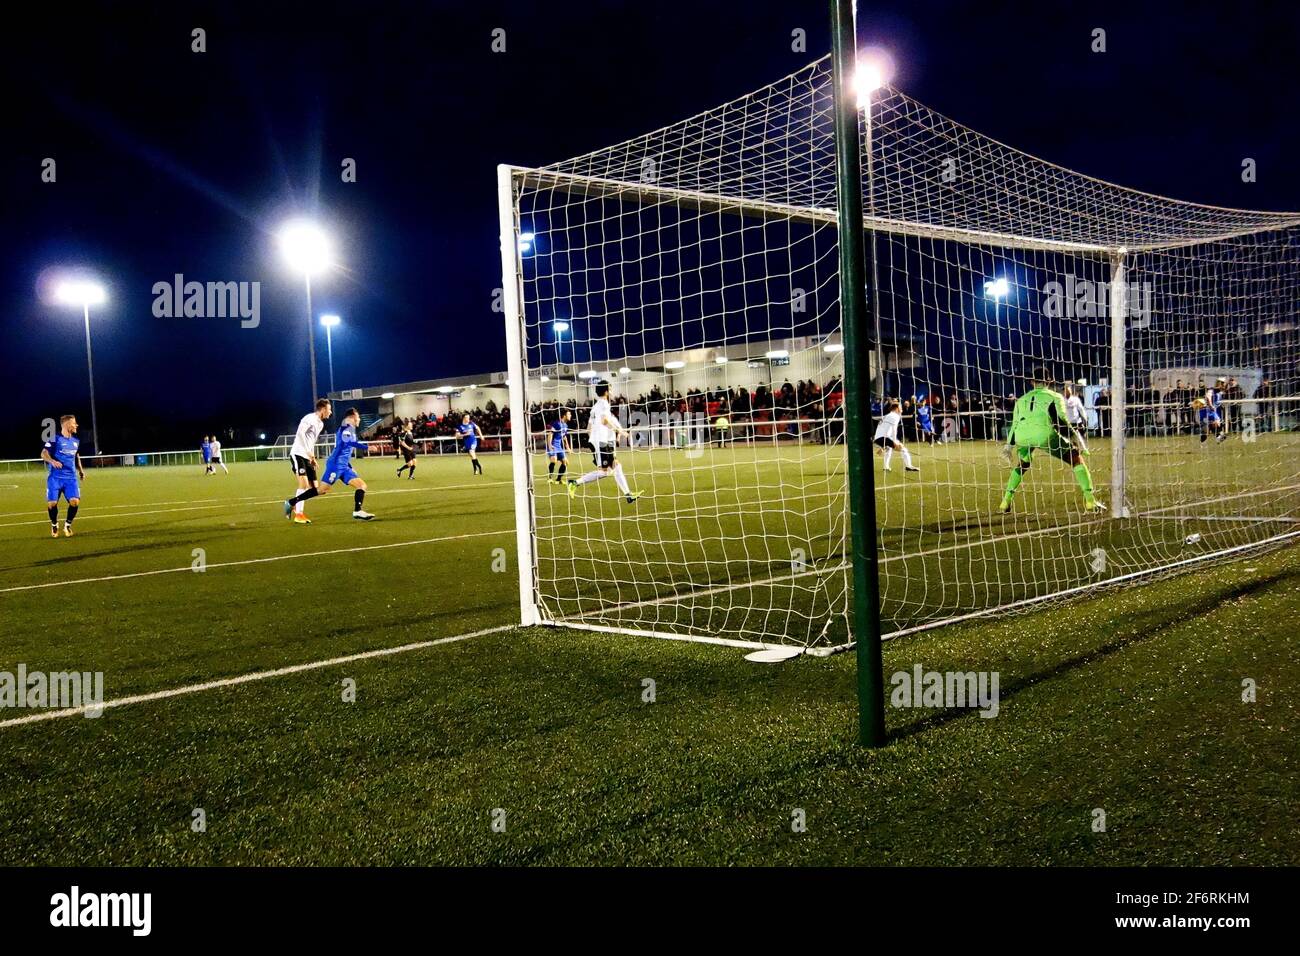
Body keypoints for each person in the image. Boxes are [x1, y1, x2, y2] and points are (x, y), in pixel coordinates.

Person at [999, 368, 1102, 513]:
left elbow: (1014, 423)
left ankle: (1006, 501)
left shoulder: (1021, 400)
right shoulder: (1055, 396)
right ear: (1049, 381)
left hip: (1022, 435)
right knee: (1076, 459)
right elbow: (1061, 421)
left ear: (1032, 382)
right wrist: (1075, 439)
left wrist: (1008, 447)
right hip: (1044, 434)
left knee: (1023, 464)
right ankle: (1090, 501)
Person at [567, 382, 640, 504]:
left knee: (616, 466)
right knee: (604, 472)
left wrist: (594, 440)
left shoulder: (595, 406)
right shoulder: (604, 404)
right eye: (610, 389)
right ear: (606, 392)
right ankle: (574, 483)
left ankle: (628, 495)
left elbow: (589, 427)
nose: (611, 392)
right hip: (601, 442)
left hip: (600, 441)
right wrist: (619, 432)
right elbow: (604, 421)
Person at [318, 408, 375, 520]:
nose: (359, 419)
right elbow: (348, 443)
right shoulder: (346, 428)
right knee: (321, 490)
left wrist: (349, 466)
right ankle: (292, 502)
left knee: (361, 485)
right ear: (353, 416)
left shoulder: (350, 430)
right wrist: (367, 447)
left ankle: (357, 511)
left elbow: (345, 450)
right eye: (358, 417)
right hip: (336, 465)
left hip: (343, 466)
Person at [283, 398, 332, 525]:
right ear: (323, 409)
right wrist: (308, 452)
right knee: (303, 485)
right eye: (329, 409)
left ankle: (291, 502)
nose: (330, 412)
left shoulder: (320, 424)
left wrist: (313, 457)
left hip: (308, 457)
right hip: (298, 453)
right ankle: (299, 514)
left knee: (318, 489)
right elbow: (300, 434)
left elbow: (311, 441)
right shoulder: (309, 418)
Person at [42, 414, 85, 538]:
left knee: (75, 502)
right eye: (74, 423)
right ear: (66, 424)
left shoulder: (76, 441)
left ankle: (67, 525)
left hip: (70, 478)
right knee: (52, 504)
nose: (76, 425)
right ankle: (54, 525)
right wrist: (52, 461)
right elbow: (44, 453)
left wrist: (81, 471)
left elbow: (76, 457)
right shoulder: (54, 439)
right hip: (55, 478)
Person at [873, 400, 919, 473]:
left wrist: (883, 445)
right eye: (900, 407)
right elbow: (894, 430)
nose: (902, 409)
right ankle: (909, 466)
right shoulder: (895, 416)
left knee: (889, 449)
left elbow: (883, 430)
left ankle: (886, 467)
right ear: (897, 408)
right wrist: (895, 442)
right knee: (903, 449)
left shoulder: (887, 416)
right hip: (883, 438)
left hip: (878, 438)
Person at [547, 409, 572, 482]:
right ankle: (550, 478)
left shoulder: (566, 425)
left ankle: (558, 480)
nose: (570, 415)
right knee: (554, 460)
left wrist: (567, 447)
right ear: (564, 415)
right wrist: (550, 445)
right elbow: (550, 434)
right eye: (569, 414)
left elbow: (564, 436)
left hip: (559, 446)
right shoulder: (557, 424)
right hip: (553, 445)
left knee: (565, 462)